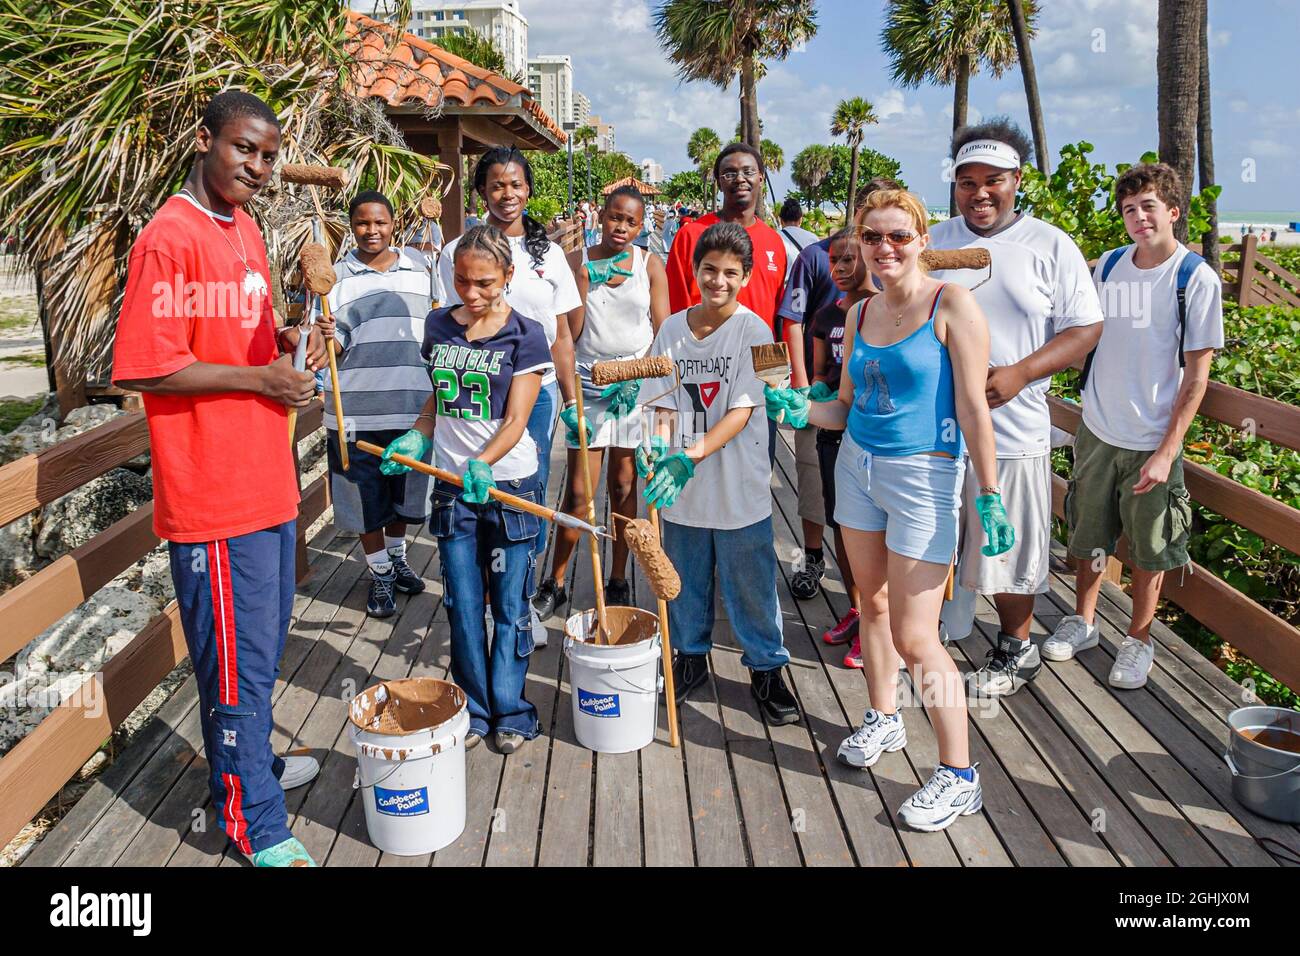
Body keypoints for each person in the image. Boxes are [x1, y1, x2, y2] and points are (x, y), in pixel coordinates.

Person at [111, 91, 326, 867]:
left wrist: (289, 340)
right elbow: (150, 366)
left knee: (259, 655)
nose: (259, 168)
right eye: (245, 150)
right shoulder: (170, 238)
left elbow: (248, 339)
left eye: (269, 156)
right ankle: (252, 822)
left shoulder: (246, 230)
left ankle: (250, 772)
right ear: (205, 141)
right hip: (214, 493)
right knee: (232, 667)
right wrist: (259, 381)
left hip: (265, 479)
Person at [766, 188, 1013, 832]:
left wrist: (987, 494)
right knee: (869, 606)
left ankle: (959, 775)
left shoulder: (951, 304)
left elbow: (974, 406)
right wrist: (798, 407)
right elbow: (844, 407)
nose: (885, 247)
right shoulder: (859, 311)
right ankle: (883, 718)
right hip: (857, 467)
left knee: (918, 635)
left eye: (898, 235)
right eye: (872, 237)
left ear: (922, 238)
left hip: (924, 477)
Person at [929, 119, 1103, 698]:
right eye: (967, 181)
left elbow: (1086, 326)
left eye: (994, 181)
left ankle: (1016, 646)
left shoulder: (1049, 243)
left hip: (1015, 426)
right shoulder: (932, 241)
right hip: (936, 427)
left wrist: (1021, 372)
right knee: (936, 536)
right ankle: (933, 633)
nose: (980, 193)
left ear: (1017, 181)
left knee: (1009, 545)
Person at [1044, 163, 1222, 688]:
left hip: (1152, 440)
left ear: (1173, 211)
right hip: (1099, 428)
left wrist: (1168, 450)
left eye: (1149, 207)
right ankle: (1084, 621)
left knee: (1150, 547)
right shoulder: (1111, 266)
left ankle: (1139, 640)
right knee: (1088, 532)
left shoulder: (1195, 278)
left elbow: (1197, 377)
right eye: (1128, 209)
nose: (1138, 217)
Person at [384, 225, 552, 753]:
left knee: (509, 603)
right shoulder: (438, 325)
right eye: (462, 281)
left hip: (507, 486)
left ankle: (513, 711)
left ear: (508, 275)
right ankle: (475, 709)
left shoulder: (526, 334)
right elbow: (439, 400)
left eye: (485, 283)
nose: (472, 294)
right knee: (460, 601)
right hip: (452, 488)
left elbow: (517, 419)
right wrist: (416, 433)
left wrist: (482, 463)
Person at [644, 222, 801, 726]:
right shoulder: (670, 329)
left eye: (731, 273)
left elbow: (745, 410)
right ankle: (690, 656)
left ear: (746, 276)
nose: (718, 281)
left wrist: (688, 456)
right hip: (683, 487)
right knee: (685, 577)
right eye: (709, 270)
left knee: (750, 581)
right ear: (694, 271)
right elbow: (661, 397)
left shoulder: (755, 330)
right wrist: (662, 450)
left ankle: (766, 667)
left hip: (738, 483)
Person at [439, 148, 582, 642]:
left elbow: (562, 335)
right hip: (472, 390)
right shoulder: (456, 249)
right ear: (481, 191)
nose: (508, 194)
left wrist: (571, 401)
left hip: (535, 394)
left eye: (516, 184)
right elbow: (447, 325)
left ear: (529, 190)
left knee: (527, 498)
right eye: (497, 185)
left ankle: (518, 601)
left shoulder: (550, 255)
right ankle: (477, 600)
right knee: (469, 499)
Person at [533, 185, 670, 618]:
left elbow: (663, 330)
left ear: (641, 223)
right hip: (588, 387)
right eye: (614, 217)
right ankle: (554, 580)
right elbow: (568, 335)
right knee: (578, 492)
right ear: (601, 216)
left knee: (625, 485)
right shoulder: (577, 261)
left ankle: (618, 577)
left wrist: (641, 378)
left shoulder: (651, 264)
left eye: (631, 221)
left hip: (633, 387)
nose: (621, 227)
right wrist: (583, 280)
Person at [777, 178, 903, 602]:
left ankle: (873, 603)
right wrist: (803, 387)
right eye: (867, 206)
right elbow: (794, 320)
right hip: (827, 398)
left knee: (873, 511)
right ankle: (813, 561)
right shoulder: (815, 255)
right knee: (815, 488)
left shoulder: (896, 263)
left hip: (881, 415)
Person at [319, 190, 434, 619]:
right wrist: (326, 334)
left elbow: (435, 325)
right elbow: (329, 347)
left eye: (380, 222)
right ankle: (380, 571)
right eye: (363, 223)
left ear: (393, 225)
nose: (372, 231)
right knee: (365, 499)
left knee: (404, 496)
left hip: (413, 409)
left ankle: (397, 556)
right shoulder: (333, 279)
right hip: (355, 411)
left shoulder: (421, 270)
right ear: (352, 226)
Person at [665, 144, 795, 371]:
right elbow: (674, 305)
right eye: (730, 173)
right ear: (719, 181)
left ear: (761, 178)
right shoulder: (691, 235)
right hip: (705, 358)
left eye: (748, 171)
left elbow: (776, 314)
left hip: (760, 358)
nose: (740, 179)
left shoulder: (774, 240)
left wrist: (778, 374)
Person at [807, 228, 873, 666]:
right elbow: (819, 371)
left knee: (870, 533)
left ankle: (875, 622)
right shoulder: (828, 316)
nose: (841, 268)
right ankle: (857, 609)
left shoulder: (882, 310)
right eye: (835, 260)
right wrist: (809, 396)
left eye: (850, 259)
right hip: (831, 427)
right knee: (841, 525)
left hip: (868, 433)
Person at [777, 196, 819, 284]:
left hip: (784, 289)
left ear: (781, 220)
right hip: (807, 289)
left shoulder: (774, 237)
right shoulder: (813, 238)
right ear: (800, 220)